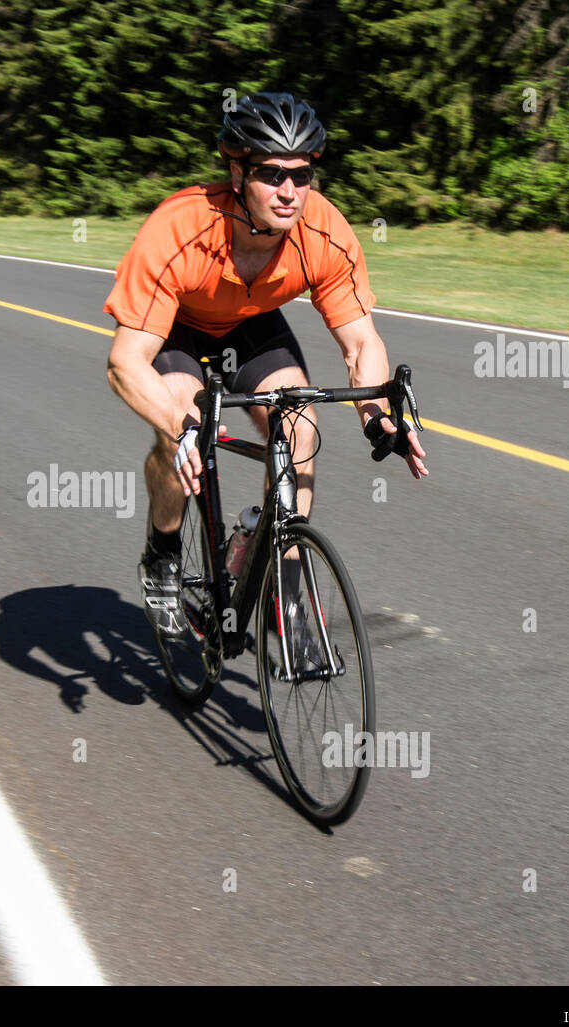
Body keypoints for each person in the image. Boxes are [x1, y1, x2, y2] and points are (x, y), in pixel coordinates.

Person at [103, 92, 427, 643]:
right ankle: (162, 554)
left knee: (301, 423)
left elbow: (359, 342)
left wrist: (377, 417)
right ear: (237, 172)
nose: (288, 192)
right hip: (179, 329)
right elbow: (124, 363)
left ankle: (287, 587)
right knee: (180, 421)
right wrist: (180, 428)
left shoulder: (323, 231)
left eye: (301, 176)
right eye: (271, 174)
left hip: (252, 328)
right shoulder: (179, 228)